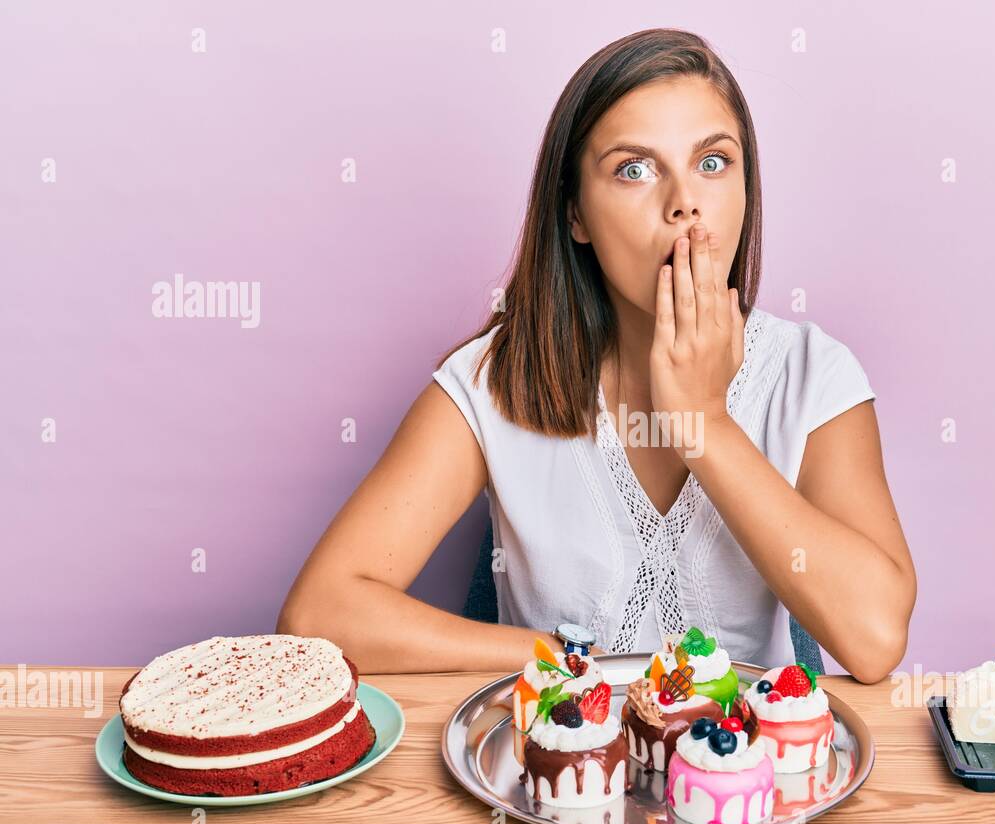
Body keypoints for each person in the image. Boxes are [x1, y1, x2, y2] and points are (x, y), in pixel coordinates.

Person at [278, 28, 916, 678]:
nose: (685, 203)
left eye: (713, 162)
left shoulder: (813, 375)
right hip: (559, 766)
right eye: (634, 170)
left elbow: (874, 639)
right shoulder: (495, 380)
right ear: (575, 215)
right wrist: (562, 659)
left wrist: (707, 425)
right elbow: (318, 616)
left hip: (750, 771)